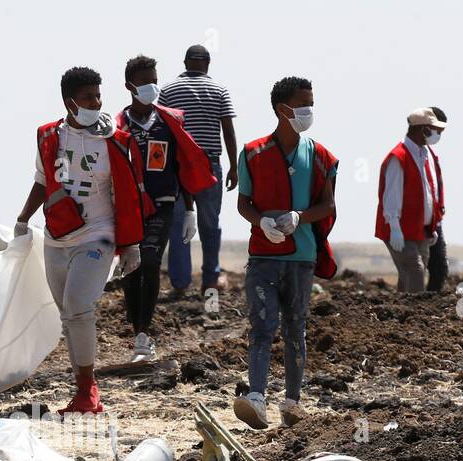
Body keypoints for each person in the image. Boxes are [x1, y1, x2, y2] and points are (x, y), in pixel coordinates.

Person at [13, 66, 151, 415]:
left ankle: (89, 391)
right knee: (68, 313)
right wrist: (22, 218)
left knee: (79, 306)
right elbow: (42, 181)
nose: (96, 102)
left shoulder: (115, 140)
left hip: (98, 234)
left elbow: (129, 193)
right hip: (57, 235)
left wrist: (131, 243)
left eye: (98, 95)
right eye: (88, 96)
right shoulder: (48, 136)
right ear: (69, 102)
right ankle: (82, 391)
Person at [233, 76, 338, 430]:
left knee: (296, 328)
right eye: (304, 103)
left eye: (312, 102)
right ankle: (257, 398)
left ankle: (292, 402)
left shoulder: (322, 156)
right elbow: (243, 203)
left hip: (302, 256)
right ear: (283, 109)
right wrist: (261, 221)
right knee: (261, 327)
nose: (309, 110)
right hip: (263, 255)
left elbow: (328, 205)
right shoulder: (252, 151)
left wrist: (299, 217)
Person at [115, 55, 217, 362]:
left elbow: (183, 165)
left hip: (163, 205)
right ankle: (138, 333)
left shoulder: (169, 122)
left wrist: (189, 210)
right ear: (129, 86)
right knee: (131, 270)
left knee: (149, 261)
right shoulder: (118, 126)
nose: (152, 87)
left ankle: (144, 337)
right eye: (145, 82)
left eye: (155, 81)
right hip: (129, 208)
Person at [158, 44, 237, 295]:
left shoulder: (168, 91)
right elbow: (228, 129)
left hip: (178, 167)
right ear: (208, 64)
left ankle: (180, 284)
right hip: (209, 164)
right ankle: (210, 280)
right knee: (209, 224)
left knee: (179, 223)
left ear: (184, 63)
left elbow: (161, 130)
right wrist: (234, 166)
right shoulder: (220, 90)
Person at [374, 106, 447, 293]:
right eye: (434, 129)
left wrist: (433, 224)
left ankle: (402, 316)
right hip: (401, 229)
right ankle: (416, 316)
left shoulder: (425, 155)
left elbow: (429, 192)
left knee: (411, 272)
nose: (437, 134)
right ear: (422, 129)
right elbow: (391, 195)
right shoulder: (399, 157)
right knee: (415, 270)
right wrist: (395, 227)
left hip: (419, 230)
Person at [425, 106, 449, 292]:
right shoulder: (411, 154)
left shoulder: (430, 154)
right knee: (414, 270)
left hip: (434, 221)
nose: (439, 136)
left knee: (439, 268)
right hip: (420, 223)